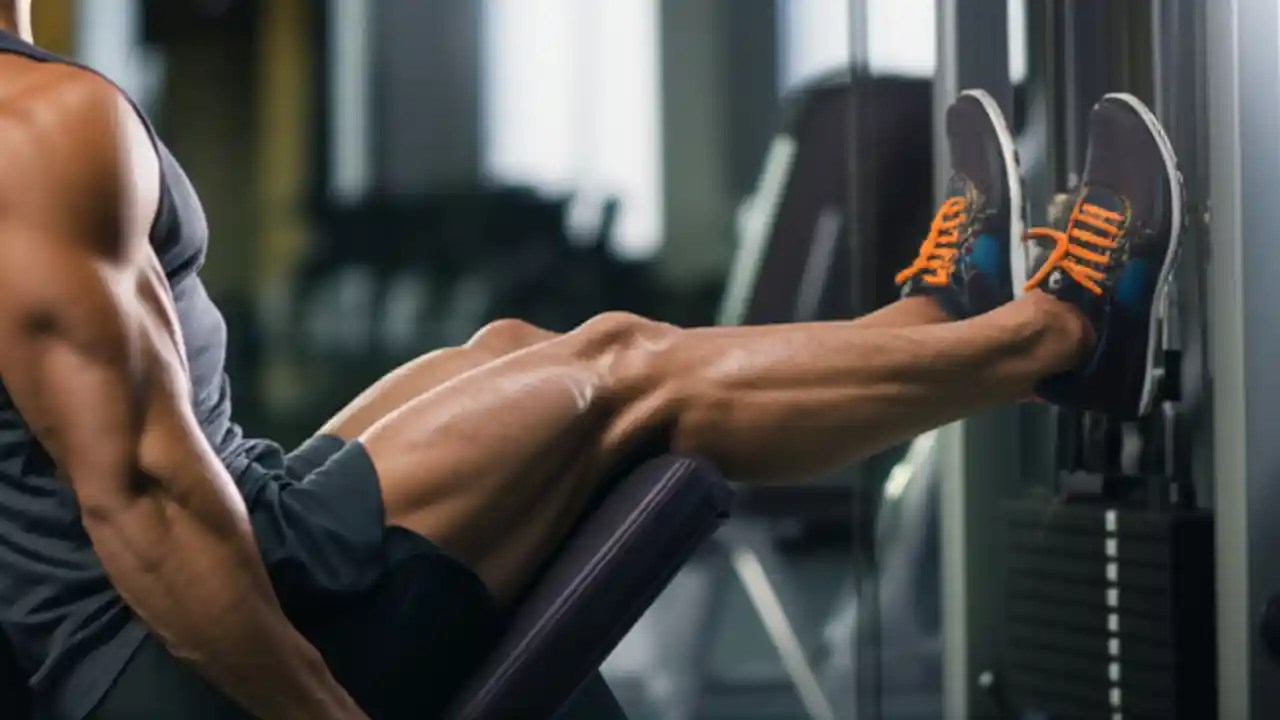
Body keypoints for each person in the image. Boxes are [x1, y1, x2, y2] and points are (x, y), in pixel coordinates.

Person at [0, 2, 1182, 718]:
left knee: (513, 350)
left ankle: (926, 331)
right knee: (620, 375)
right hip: (163, 657)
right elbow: (148, 503)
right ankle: (1061, 336)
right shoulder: (34, 130)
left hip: (152, 604)